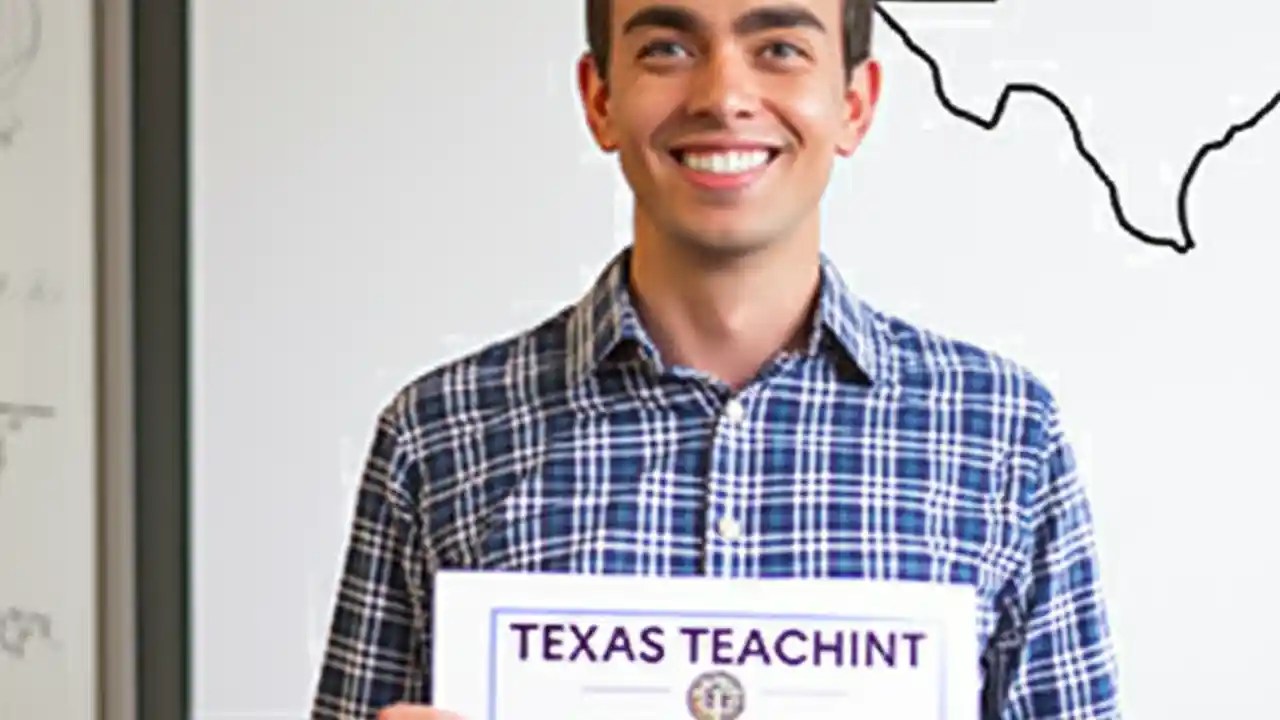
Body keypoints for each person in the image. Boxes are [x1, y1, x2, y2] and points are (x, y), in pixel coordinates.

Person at [310, 0, 1122, 718]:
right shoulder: (438, 433)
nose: (723, 96)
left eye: (780, 48)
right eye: (667, 48)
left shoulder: (1003, 433)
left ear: (855, 104)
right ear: (600, 100)